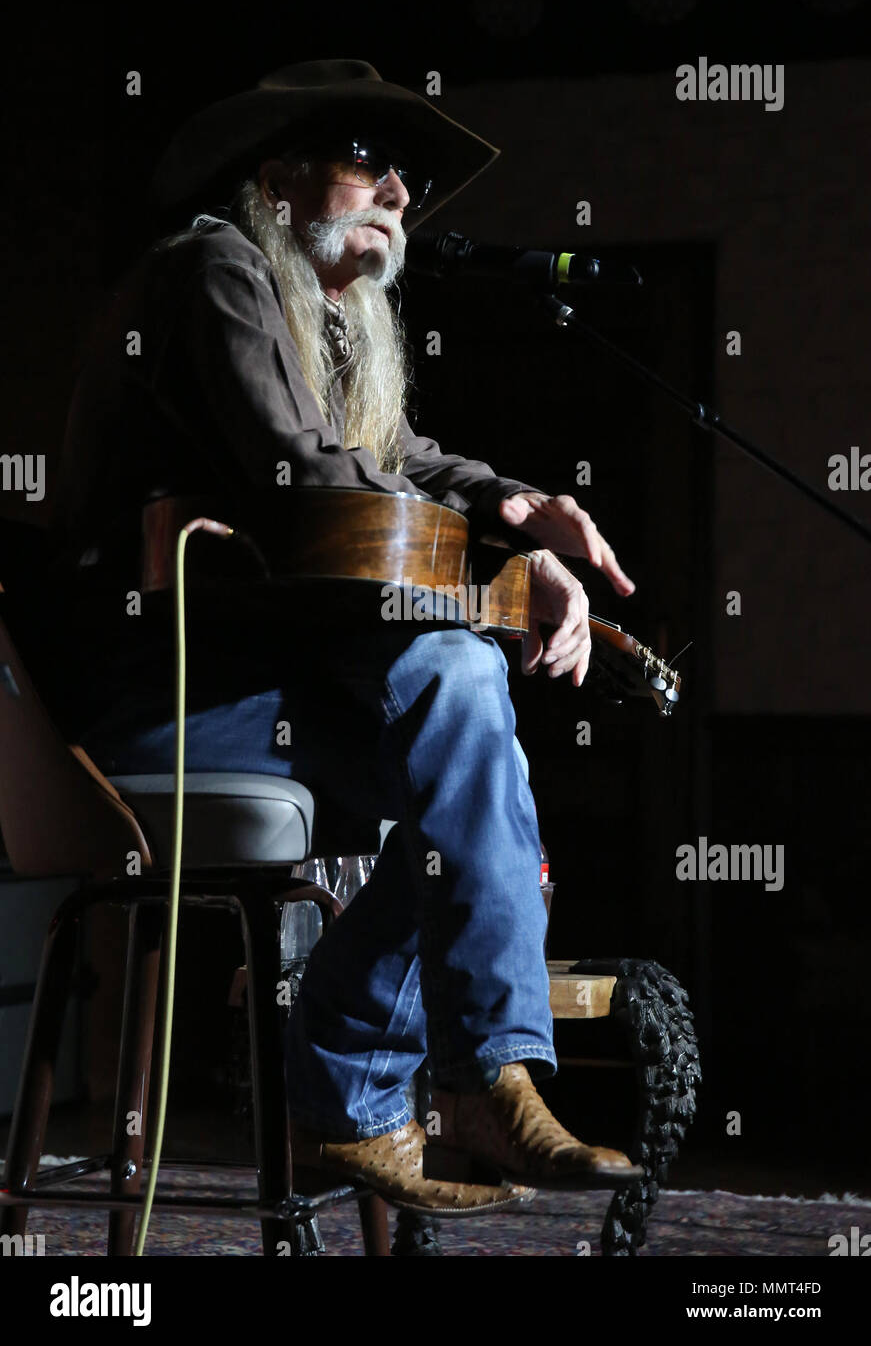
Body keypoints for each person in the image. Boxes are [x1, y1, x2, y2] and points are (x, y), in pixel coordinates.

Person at [49, 60, 641, 1216]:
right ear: (278, 180)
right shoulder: (217, 271)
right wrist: (510, 577)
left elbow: (405, 458)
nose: (402, 197)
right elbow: (311, 488)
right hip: (146, 707)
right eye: (372, 165)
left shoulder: (313, 313)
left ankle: (403, 1084)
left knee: (470, 761)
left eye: (406, 177)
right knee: (465, 688)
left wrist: (517, 504)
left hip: (249, 702)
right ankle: (417, 1075)